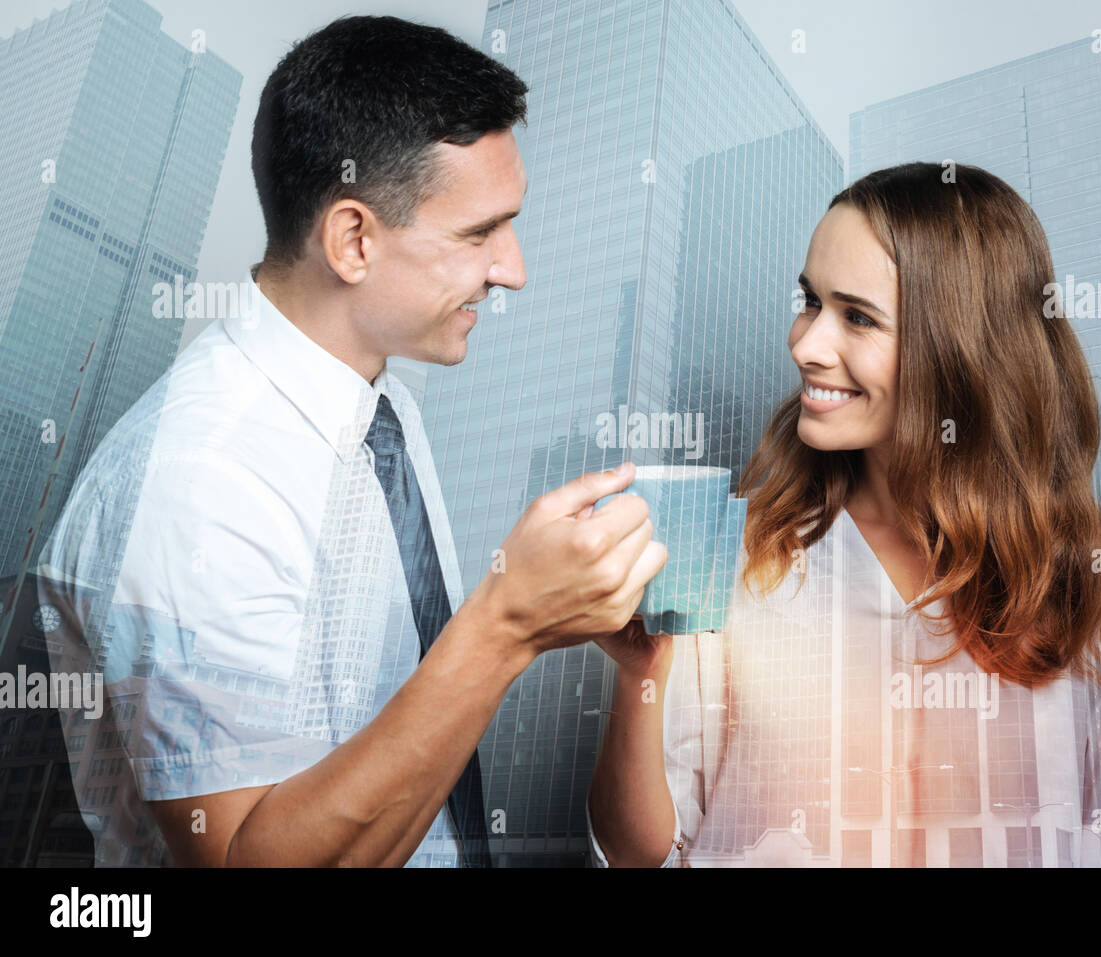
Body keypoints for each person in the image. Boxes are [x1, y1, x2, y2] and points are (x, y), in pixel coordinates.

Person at [35, 15, 665, 868]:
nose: (514, 269)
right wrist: (506, 625)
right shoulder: (196, 481)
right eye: (481, 233)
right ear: (353, 240)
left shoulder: (381, 412)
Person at [587, 162, 1101, 868]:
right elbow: (642, 855)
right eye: (809, 301)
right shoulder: (736, 555)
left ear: (963, 348)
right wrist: (641, 674)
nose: (805, 343)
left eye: (858, 317)